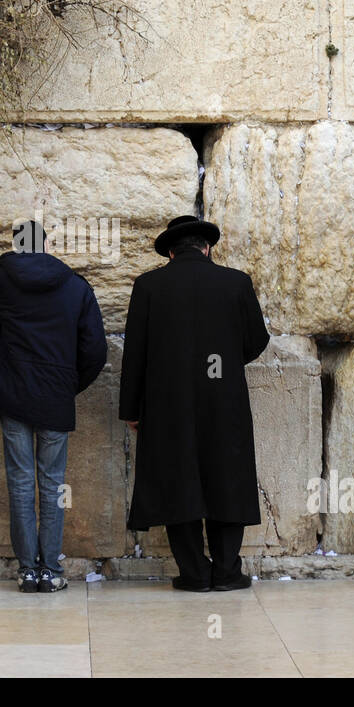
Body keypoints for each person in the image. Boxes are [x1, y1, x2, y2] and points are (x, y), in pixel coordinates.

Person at [119, 215, 270, 593]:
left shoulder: (149, 286)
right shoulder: (236, 282)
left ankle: (195, 573)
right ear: (207, 248)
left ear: (170, 251)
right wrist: (226, 364)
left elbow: (134, 354)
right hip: (224, 400)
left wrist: (132, 411)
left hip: (167, 403)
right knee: (227, 478)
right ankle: (226, 572)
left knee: (178, 478)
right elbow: (257, 340)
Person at [0, 219, 107, 593]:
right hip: (55, 397)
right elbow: (94, 351)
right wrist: (70, 386)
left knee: (21, 482)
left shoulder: (6, 283)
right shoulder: (76, 287)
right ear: (45, 245)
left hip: (14, 397)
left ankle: (27, 570)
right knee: (54, 484)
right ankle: (51, 570)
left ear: (17, 246)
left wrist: (8, 264)